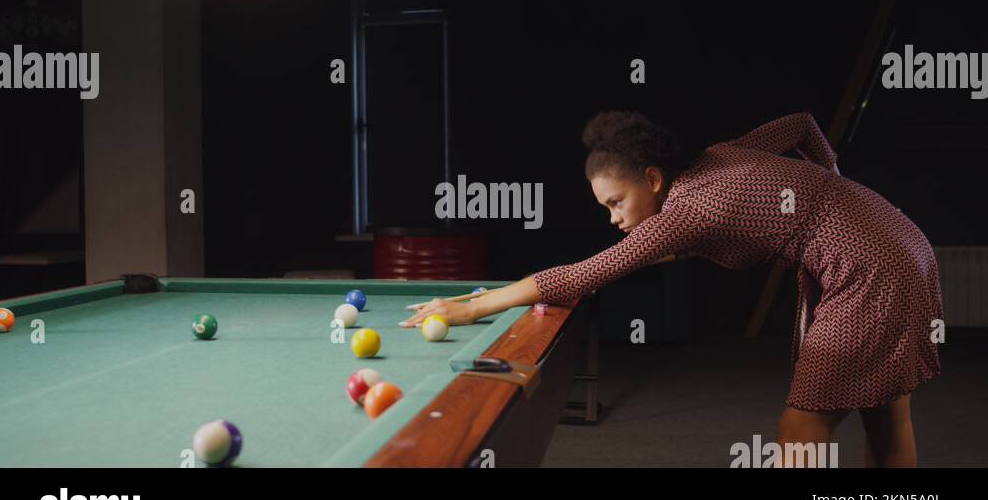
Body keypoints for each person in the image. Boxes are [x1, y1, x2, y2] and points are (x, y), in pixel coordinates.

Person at [401, 111, 943, 468]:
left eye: (616, 202)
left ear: (654, 179)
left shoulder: (683, 211)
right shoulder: (720, 155)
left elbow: (583, 276)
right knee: (885, 412)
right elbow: (803, 125)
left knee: (801, 423)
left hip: (870, 274)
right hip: (901, 238)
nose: (613, 218)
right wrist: (832, 184)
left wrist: (474, 305)